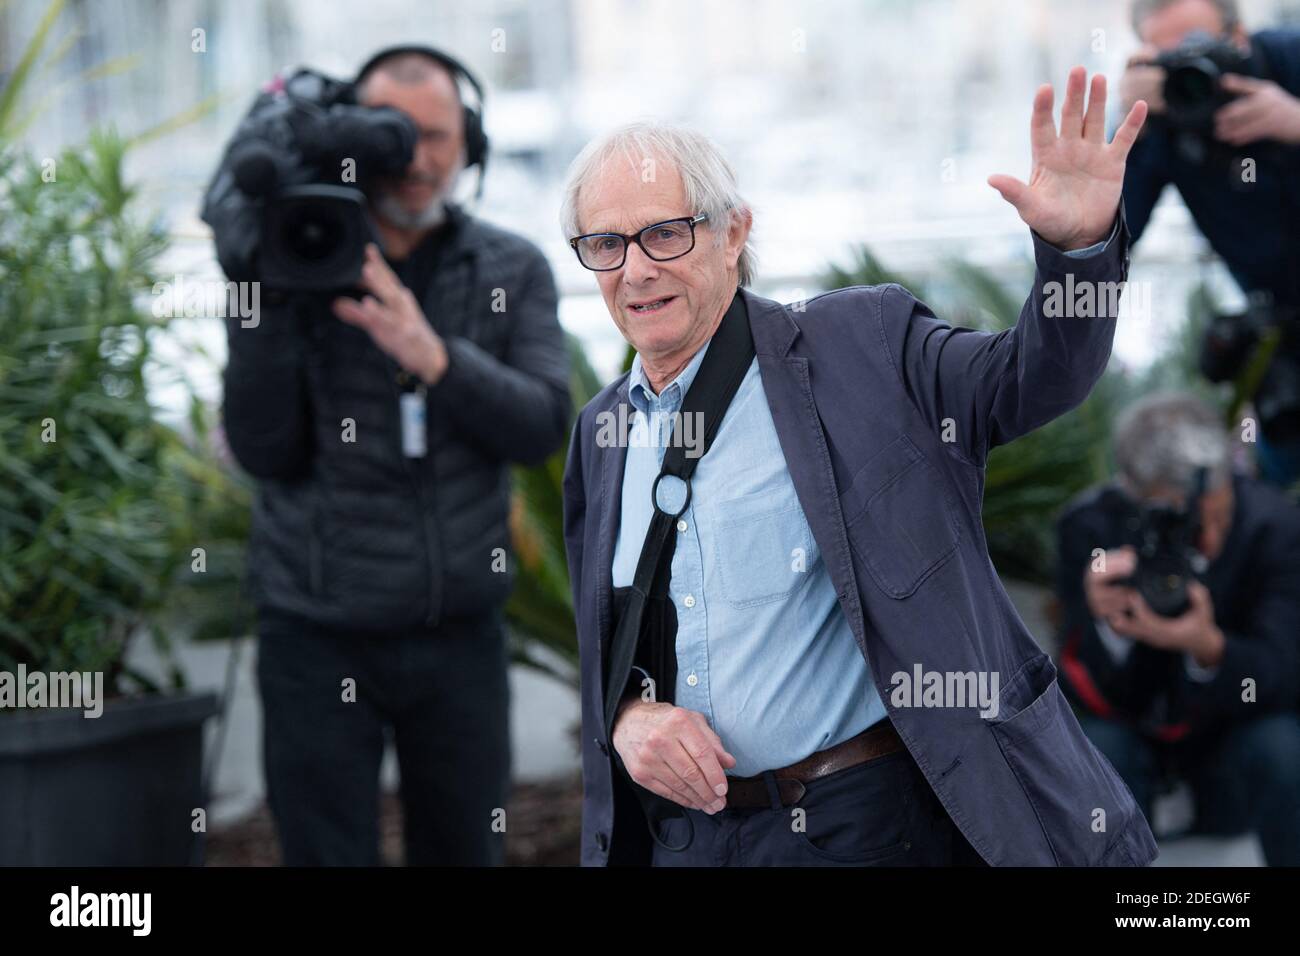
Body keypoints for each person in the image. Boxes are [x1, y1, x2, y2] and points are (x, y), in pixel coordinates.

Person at [562, 68, 1158, 865]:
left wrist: (1076, 252)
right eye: (606, 244)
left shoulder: (861, 345)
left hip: (865, 825)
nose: (635, 270)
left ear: (734, 233)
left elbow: (1034, 380)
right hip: (688, 842)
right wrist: (626, 718)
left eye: (665, 233)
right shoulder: (601, 433)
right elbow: (610, 643)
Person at [207, 46, 571, 865]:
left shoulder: (511, 267)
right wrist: (258, 297)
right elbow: (266, 452)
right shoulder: (295, 259)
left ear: (470, 143)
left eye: (436, 136)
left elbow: (543, 424)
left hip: (461, 636)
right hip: (313, 635)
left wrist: (432, 354)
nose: (414, 158)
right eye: (391, 136)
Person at [1056, 391, 1300, 865]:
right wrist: (1107, 627)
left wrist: (1209, 648)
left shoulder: (1279, 527)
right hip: (1130, 738)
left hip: (1228, 747)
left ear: (1230, 477)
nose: (1204, 544)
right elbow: (1075, 688)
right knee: (1095, 749)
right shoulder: (1089, 528)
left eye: (1217, 518)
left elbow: (1285, 673)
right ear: (1131, 492)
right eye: (1181, 525)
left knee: (1282, 748)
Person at [1119, 0, 1300, 485]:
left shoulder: (1289, 58)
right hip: (1282, 345)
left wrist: (1294, 121)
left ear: (1238, 34)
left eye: (1199, 46)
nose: (1187, 67)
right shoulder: (1165, 120)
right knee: (1278, 498)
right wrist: (1129, 127)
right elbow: (1115, 235)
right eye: (1166, 54)